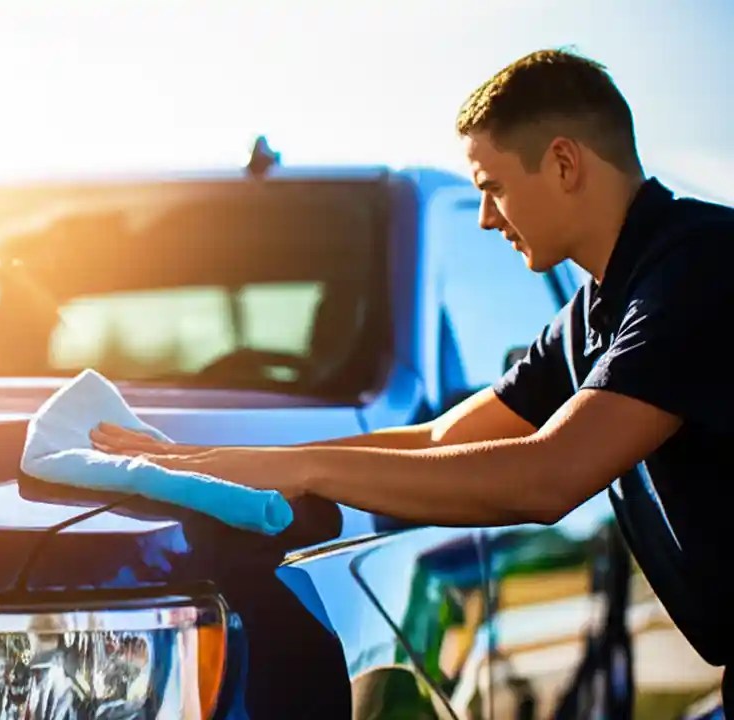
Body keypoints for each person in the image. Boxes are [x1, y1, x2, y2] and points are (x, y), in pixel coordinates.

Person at [91, 48, 734, 709]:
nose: (488, 217)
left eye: (494, 188)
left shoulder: (699, 269)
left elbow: (550, 476)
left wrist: (307, 474)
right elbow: (440, 440)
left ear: (565, 163)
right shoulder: (593, 313)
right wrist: (222, 464)